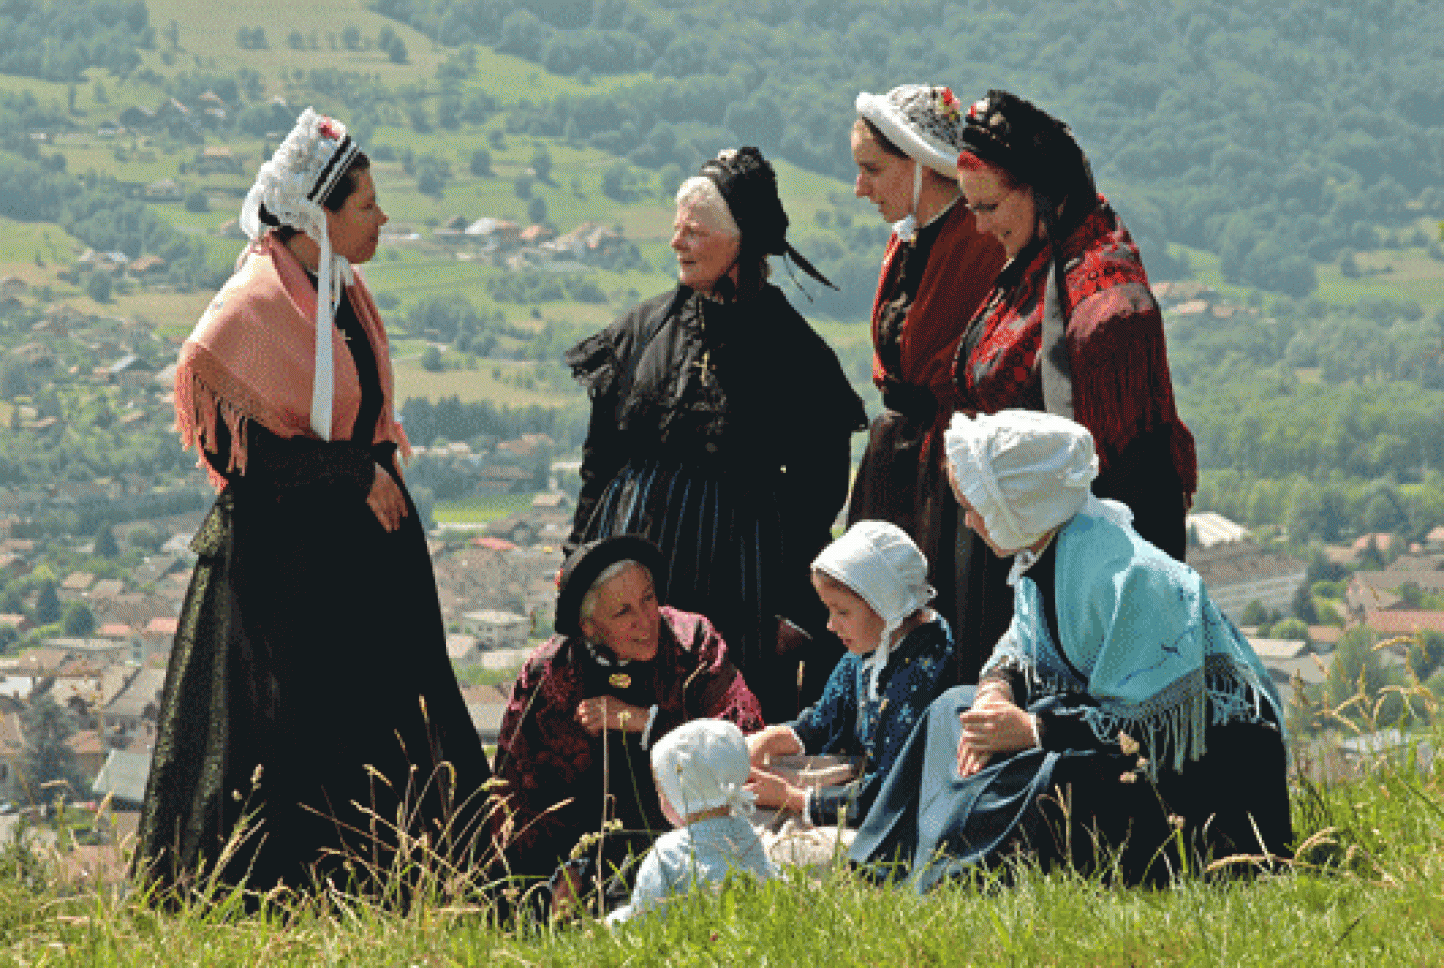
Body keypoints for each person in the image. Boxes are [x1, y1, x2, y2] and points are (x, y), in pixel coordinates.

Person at [135, 109, 491, 895]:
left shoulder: (340, 293)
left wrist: (368, 472)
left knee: (376, 724)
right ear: (314, 217)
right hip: (285, 577)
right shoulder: (252, 308)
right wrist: (349, 473)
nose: (381, 218)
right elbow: (243, 458)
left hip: (358, 567)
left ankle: (385, 882)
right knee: (293, 730)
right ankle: (283, 891)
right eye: (365, 204)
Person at [849, 411, 1292, 890]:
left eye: (976, 507)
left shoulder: (1130, 576)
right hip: (1096, 732)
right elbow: (1018, 648)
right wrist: (994, 694)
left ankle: (949, 867)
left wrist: (1033, 730)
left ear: (1021, 502)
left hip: (1201, 785)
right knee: (949, 711)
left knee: (1050, 780)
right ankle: (889, 858)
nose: (970, 522)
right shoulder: (1047, 552)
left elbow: (1152, 727)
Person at [564, 148, 867, 722]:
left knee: (716, 701)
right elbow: (600, 457)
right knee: (620, 694)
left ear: (741, 241)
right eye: (677, 229)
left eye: (696, 232)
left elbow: (821, 483)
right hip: (634, 553)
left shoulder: (792, 351)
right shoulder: (642, 330)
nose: (677, 243)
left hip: (734, 569)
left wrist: (783, 595)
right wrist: (579, 554)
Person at [949, 89, 1198, 681]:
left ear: (1039, 189)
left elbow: (1123, 484)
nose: (980, 227)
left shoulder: (1108, 312)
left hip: (1077, 576)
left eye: (989, 207)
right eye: (971, 209)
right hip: (1020, 549)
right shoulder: (1040, 259)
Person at [493, 535, 764, 894]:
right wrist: (557, 874)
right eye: (623, 612)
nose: (646, 620)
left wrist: (644, 721)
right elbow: (519, 794)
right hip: (583, 859)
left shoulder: (692, 643)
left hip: (698, 850)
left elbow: (740, 738)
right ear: (589, 626)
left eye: (648, 598)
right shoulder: (551, 674)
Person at [845, 85, 1005, 664]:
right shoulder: (909, 241)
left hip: (945, 476)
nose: (860, 188)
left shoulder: (977, 247)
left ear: (920, 163)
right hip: (899, 466)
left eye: (873, 170)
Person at [745, 521, 954, 829]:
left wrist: (790, 797)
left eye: (842, 612)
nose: (830, 625)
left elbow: (889, 793)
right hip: (863, 789)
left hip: (902, 815)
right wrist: (768, 740)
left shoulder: (920, 672)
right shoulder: (874, 644)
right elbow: (824, 721)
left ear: (885, 601)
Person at [607, 719, 776, 924]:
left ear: (676, 792)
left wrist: (612, 921)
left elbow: (644, 916)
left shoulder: (667, 852)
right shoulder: (746, 831)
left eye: (661, 790)